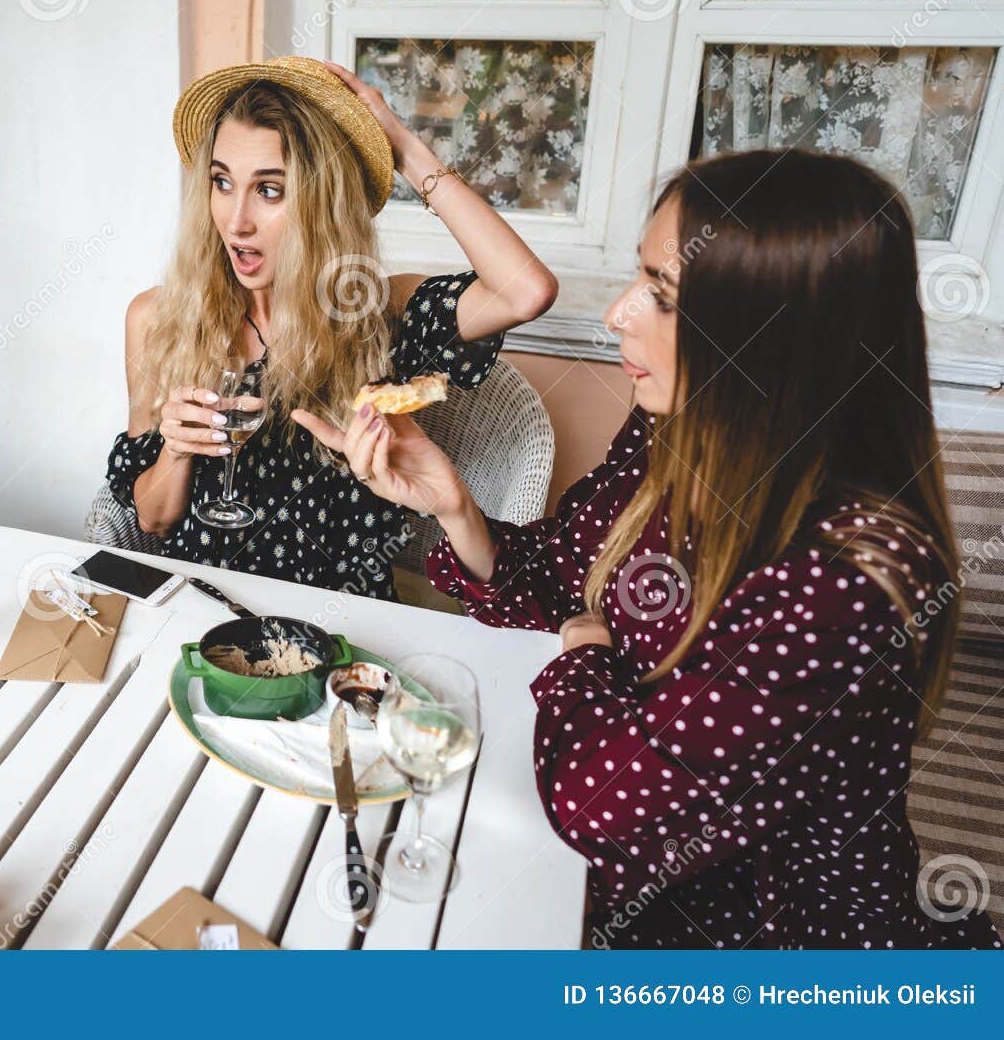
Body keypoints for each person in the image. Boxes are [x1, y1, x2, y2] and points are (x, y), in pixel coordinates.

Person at [297, 149, 1002, 948]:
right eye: (640, 279)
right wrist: (457, 509)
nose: (618, 315)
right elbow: (564, 575)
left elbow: (599, 806)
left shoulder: (846, 586)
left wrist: (585, 651)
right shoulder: (674, 428)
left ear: (772, 334)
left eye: (661, 296)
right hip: (598, 858)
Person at [106, 55, 556, 599]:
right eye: (222, 182)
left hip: (340, 632)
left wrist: (407, 152)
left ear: (323, 204)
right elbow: (152, 522)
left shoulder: (378, 313)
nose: (236, 219)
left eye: (270, 190)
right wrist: (175, 452)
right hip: (203, 617)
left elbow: (527, 290)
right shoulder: (158, 320)